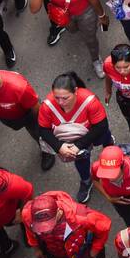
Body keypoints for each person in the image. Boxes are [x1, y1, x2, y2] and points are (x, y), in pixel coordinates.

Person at [38, 72, 114, 203]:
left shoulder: (89, 101)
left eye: (65, 98)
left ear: (76, 91)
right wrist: (59, 146)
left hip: (93, 132)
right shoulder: (47, 106)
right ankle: (86, 181)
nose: (61, 102)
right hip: (71, 139)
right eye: (57, 98)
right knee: (81, 159)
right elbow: (43, 129)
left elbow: (101, 126)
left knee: (104, 137)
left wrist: (78, 145)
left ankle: (109, 144)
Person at [22, 190, 112, 258]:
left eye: (48, 225)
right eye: (40, 227)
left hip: (84, 247)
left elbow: (104, 229)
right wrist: (36, 248)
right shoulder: (27, 214)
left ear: (59, 213)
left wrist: (95, 250)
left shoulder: (82, 217)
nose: (44, 231)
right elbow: (30, 231)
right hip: (56, 251)